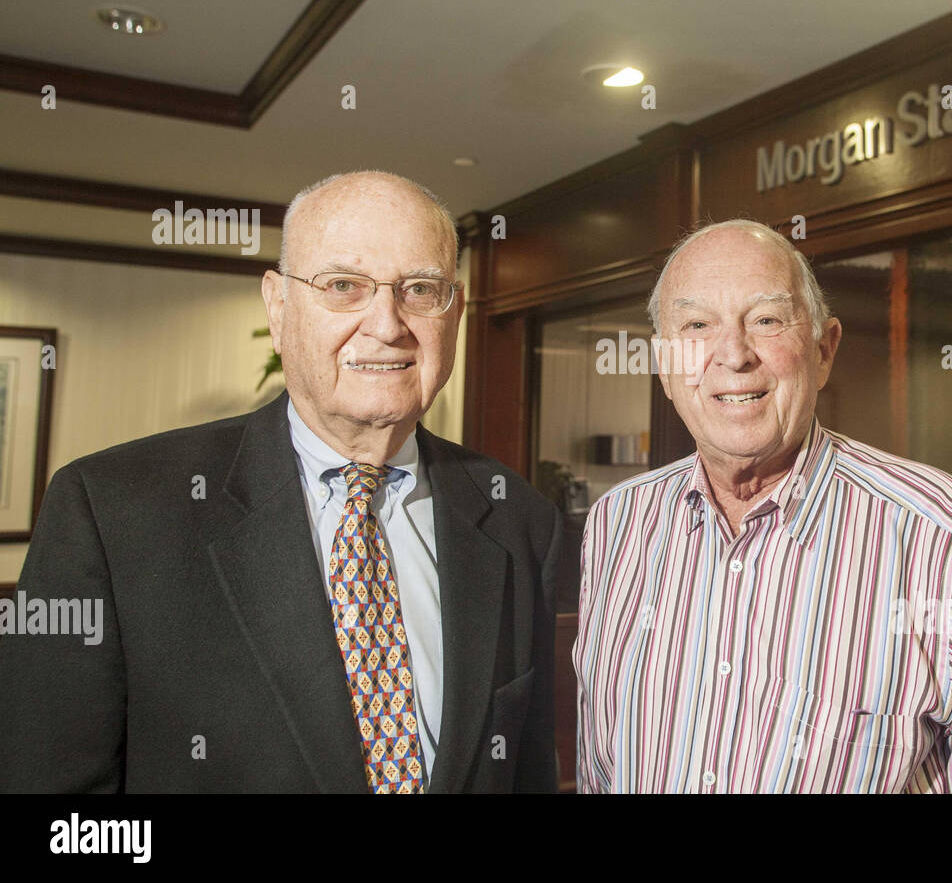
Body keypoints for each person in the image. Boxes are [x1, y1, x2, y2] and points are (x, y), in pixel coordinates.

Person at [0, 171, 559, 793]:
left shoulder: (519, 520)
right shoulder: (110, 511)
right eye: (343, 286)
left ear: (452, 309)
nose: (387, 324)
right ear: (278, 302)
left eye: (420, 289)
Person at [573, 219, 952, 793]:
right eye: (696, 325)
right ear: (664, 365)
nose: (733, 355)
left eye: (765, 320)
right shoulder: (618, 525)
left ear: (823, 349)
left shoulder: (935, 534)